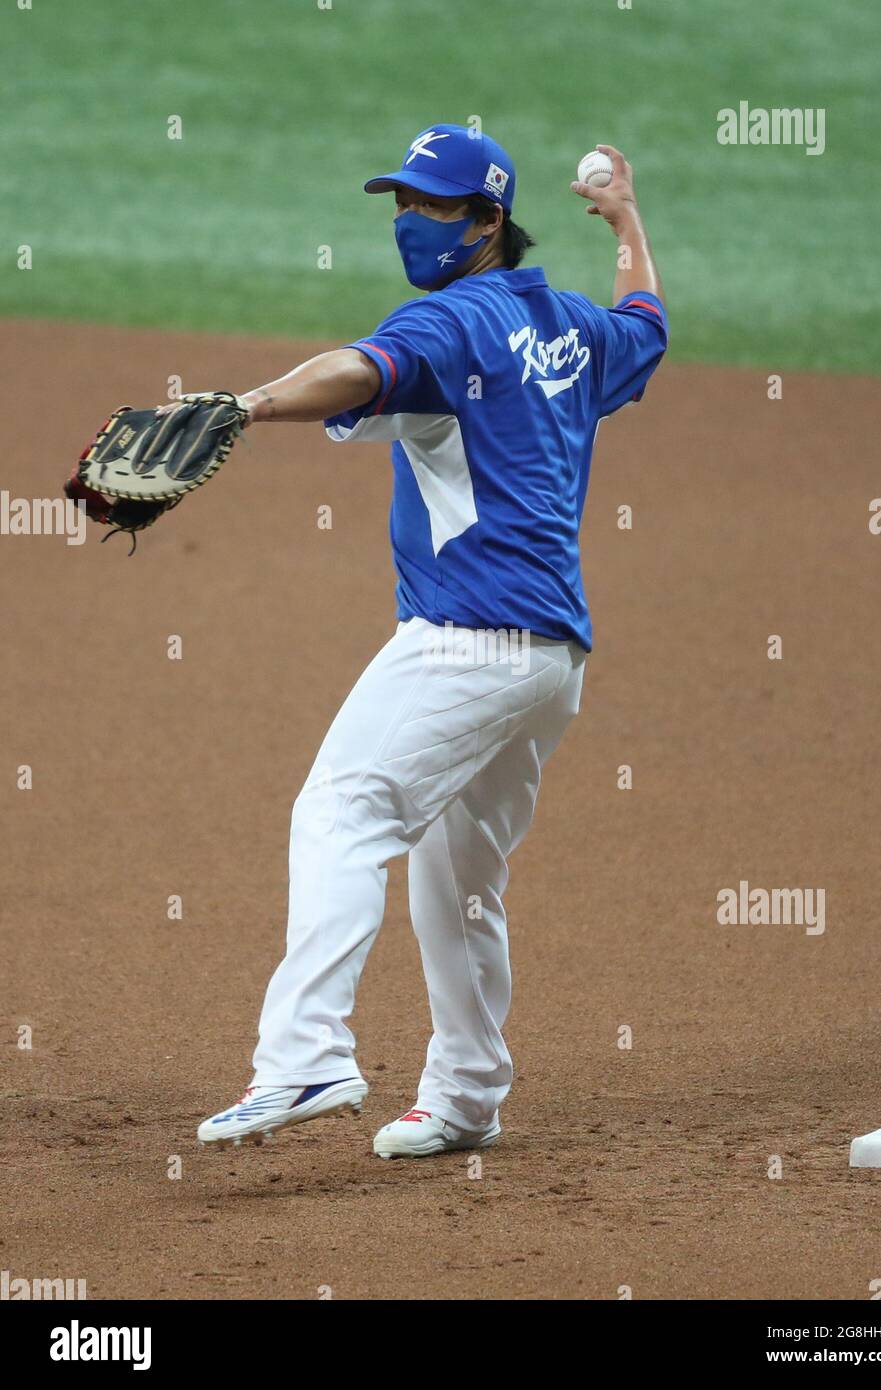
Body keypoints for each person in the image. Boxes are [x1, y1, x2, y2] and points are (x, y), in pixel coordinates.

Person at [194, 123, 667, 1159]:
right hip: (551, 664)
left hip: (465, 642)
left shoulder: (451, 323)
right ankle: (465, 1093)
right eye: (401, 203)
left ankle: (306, 1053)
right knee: (455, 878)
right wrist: (627, 216)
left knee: (343, 810)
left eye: (434, 206)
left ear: (489, 221)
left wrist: (246, 404)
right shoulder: (573, 326)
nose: (411, 222)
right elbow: (647, 320)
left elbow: (361, 368)